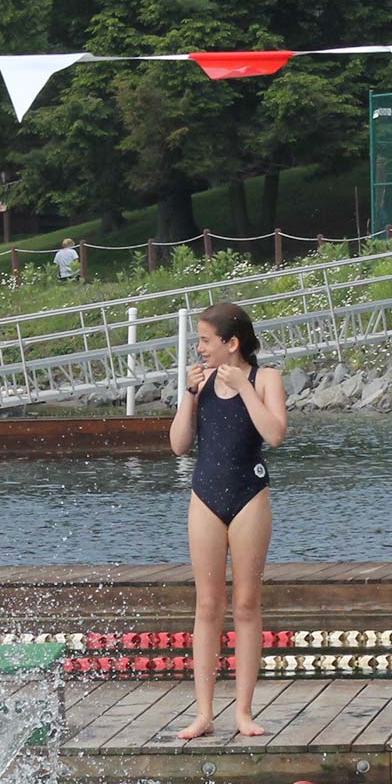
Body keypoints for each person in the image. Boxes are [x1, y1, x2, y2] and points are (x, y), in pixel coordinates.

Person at [169, 302, 287, 739]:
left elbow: (274, 433)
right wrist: (187, 393)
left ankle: (243, 711)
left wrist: (245, 388)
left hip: (249, 497)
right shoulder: (200, 384)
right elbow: (180, 446)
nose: (198, 348)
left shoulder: (265, 378)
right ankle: (203, 713)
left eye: (204, 340)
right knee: (207, 606)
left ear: (231, 343)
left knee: (246, 606)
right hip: (205, 498)